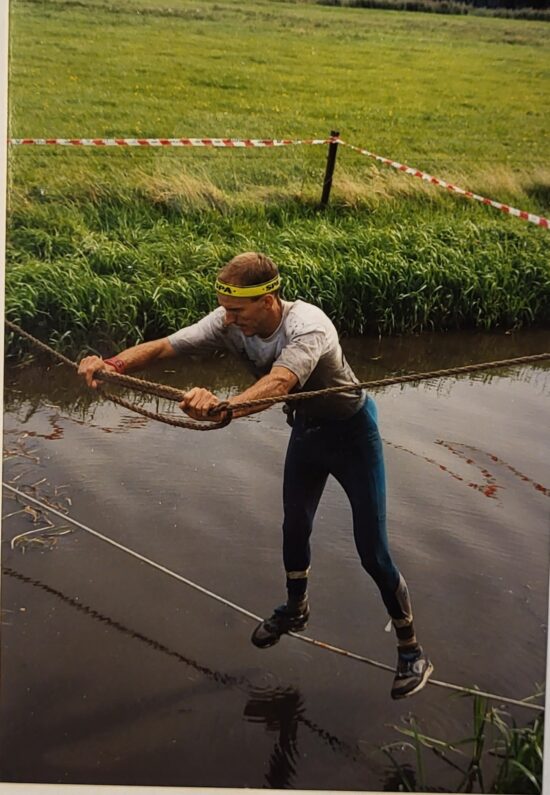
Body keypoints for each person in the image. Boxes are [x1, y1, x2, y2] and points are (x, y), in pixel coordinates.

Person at [78, 251, 433, 699]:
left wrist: (224, 407)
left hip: (353, 435)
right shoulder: (228, 320)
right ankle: (296, 609)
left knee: (372, 550)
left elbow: (280, 383)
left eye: (237, 311)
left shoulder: (309, 326)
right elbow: (169, 345)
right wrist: (112, 366)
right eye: (225, 309)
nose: (229, 320)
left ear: (268, 299)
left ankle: (411, 651)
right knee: (294, 527)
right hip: (307, 432)